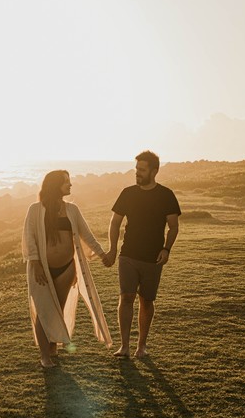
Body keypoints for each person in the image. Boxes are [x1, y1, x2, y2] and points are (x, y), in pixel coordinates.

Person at [22, 170, 114, 368]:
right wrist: (36, 263)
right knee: (44, 311)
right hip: (41, 270)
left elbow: (86, 235)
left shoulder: (72, 210)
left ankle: (52, 347)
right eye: (66, 182)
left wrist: (102, 255)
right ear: (55, 185)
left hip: (66, 269)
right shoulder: (35, 209)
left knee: (58, 309)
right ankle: (44, 356)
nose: (70, 185)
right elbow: (29, 238)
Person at [104, 150, 181, 358]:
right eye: (136, 168)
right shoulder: (128, 193)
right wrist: (113, 249)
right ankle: (124, 346)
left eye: (142, 169)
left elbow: (173, 226)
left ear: (154, 171)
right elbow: (115, 222)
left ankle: (142, 346)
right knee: (126, 297)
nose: (137, 172)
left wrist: (166, 249)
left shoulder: (166, 195)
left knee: (146, 301)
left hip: (153, 258)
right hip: (128, 255)